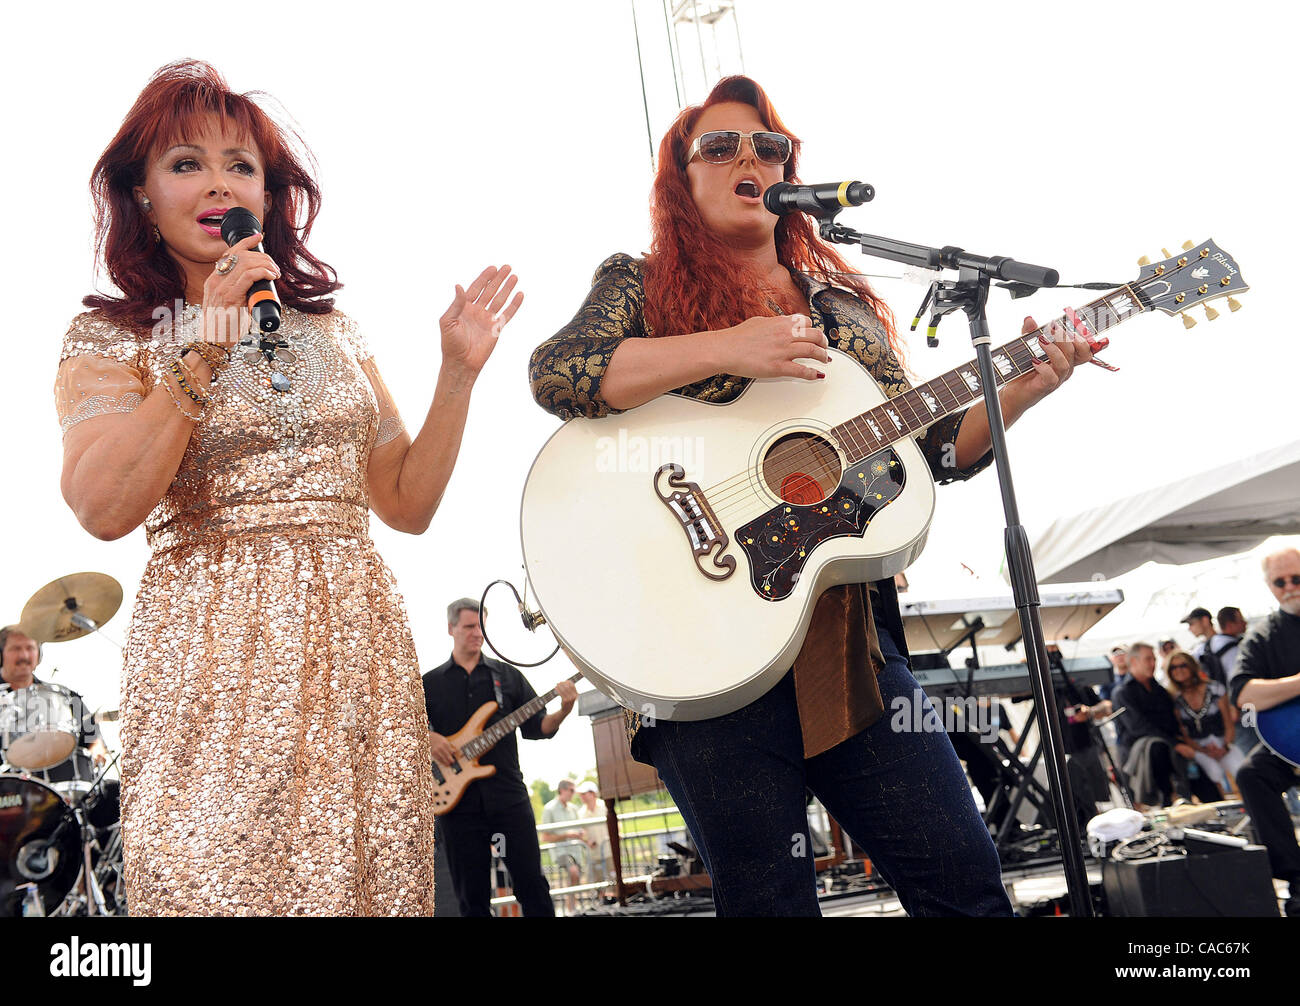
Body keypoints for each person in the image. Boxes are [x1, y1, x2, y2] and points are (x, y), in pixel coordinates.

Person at [527, 75, 1096, 916]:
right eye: (717, 148)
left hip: (850, 654)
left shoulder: (848, 312)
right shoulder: (639, 284)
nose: (748, 159)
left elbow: (933, 448)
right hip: (704, 646)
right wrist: (732, 345)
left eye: (768, 147)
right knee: (770, 902)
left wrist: (1027, 384)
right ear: (679, 184)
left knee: (967, 883)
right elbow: (560, 374)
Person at [55, 61, 522, 916]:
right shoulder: (110, 335)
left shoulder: (333, 331)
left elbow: (406, 505)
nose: (217, 184)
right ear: (143, 195)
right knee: (217, 886)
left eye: (241, 166)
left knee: (365, 888)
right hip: (211, 655)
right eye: (185, 163)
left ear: (268, 198)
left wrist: (456, 375)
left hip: (356, 647)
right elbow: (102, 506)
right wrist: (206, 341)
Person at [424, 598, 579, 917]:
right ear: (450, 628)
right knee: (472, 899)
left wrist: (564, 709)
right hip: (458, 807)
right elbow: (401, 730)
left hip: (508, 799)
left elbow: (539, 727)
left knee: (533, 887)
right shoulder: (429, 684)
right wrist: (428, 737)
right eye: (469, 626)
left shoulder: (506, 677)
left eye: (481, 625)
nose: (477, 633)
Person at [1232, 548, 1300, 917]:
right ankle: (1296, 878)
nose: (1290, 587)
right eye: (1280, 581)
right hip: (1290, 748)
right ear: (1269, 586)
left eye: (1297, 578)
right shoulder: (1263, 636)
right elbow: (1243, 693)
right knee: (1251, 774)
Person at [0, 625, 111, 787]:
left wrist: (97, 749)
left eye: (30, 648)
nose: (24, 655)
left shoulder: (62, 697)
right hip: (8, 793)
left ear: (39, 655)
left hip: (61, 792)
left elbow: (92, 736)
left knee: (114, 793)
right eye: (16, 649)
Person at [1113, 642, 1208, 808]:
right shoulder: (1123, 692)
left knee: (1204, 783)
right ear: (1134, 661)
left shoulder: (1160, 691)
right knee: (1158, 748)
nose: (1153, 664)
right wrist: (1176, 745)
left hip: (1174, 750)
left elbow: (1173, 722)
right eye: (1148, 659)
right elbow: (1139, 728)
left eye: (1154, 659)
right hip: (1142, 759)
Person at [1165, 650, 1244, 794]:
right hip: (1198, 747)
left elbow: (1228, 722)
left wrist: (1225, 747)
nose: (1179, 670)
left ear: (1191, 666)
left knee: (1241, 771)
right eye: (1173, 667)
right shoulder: (1173, 698)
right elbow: (1183, 731)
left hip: (1222, 741)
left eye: (1183, 665)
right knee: (1213, 774)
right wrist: (1204, 751)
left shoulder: (1215, 688)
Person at [541, 779, 586, 890]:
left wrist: (580, 834)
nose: (573, 793)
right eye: (571, 790)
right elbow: (545, 837)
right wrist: (566, 835)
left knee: (576, 880)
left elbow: (580, 829)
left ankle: (571, 906)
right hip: (561, 851)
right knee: (573, 873)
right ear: (562, 790)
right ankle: (571, 907)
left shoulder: (574, 809)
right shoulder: (549, 809)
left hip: (576, 851)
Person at [575, 780, 612, 881]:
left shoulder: (605, 807)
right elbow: (580, 833)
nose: (581, 796)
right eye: (581, 794)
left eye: (584, 794)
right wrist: (587, 841)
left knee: (613, 880)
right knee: (598, 883)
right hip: (593, 854)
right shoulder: (581, 813)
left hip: (609, 851)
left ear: (592, 793)